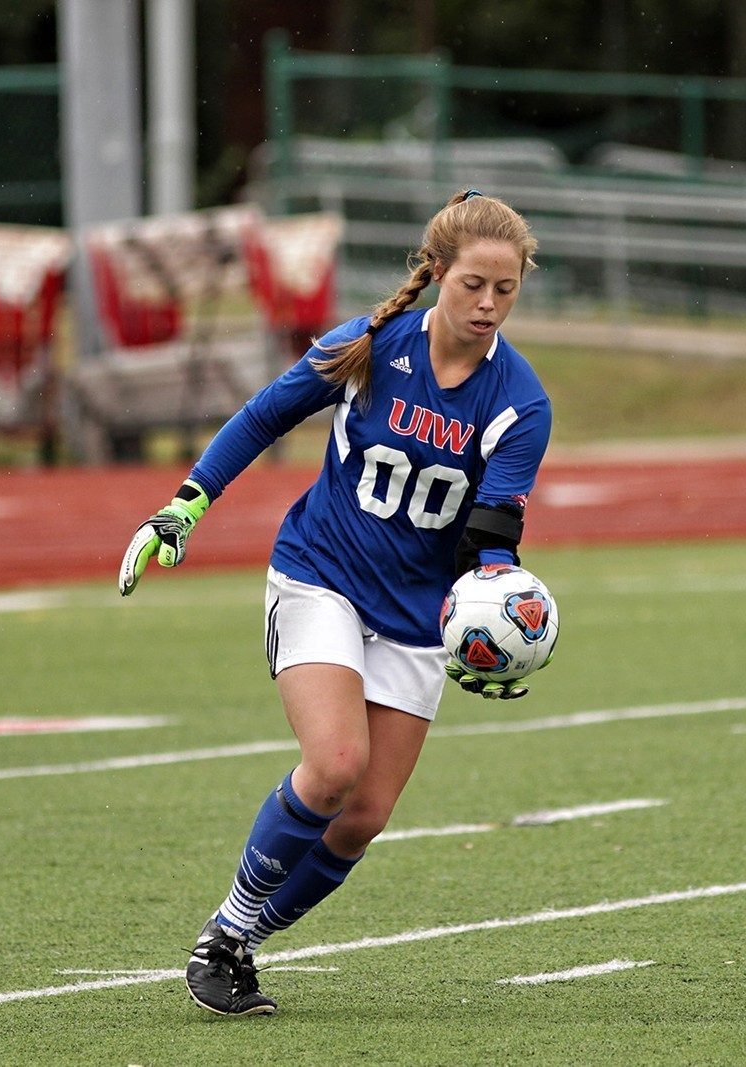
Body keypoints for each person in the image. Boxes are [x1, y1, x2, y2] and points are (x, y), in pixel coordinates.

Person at [118, 189, 552, 1016]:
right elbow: (263, 415)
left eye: (506, 288)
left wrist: (493, 625)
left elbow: (491, 537)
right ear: (436, 274)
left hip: (416, 615)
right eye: (473, 285)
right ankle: (226, 930)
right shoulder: (371, 343)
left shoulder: (521, 403)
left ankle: (240, 940)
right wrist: (185, 505)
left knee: (362, 819)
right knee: (335, 765)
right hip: (322, 576)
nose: (489, 304)